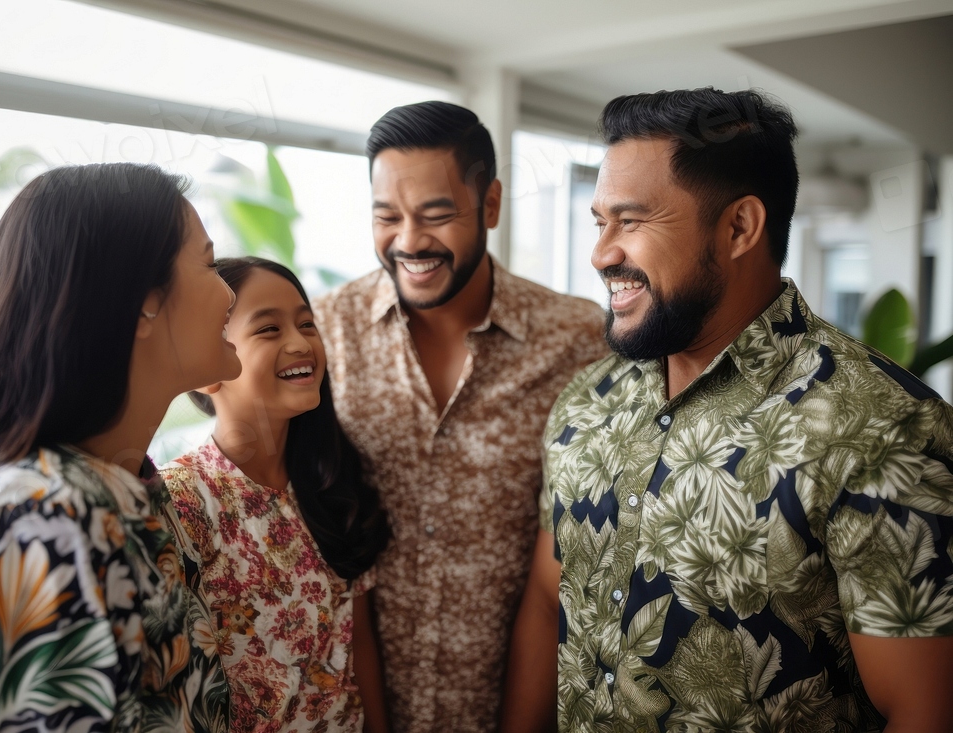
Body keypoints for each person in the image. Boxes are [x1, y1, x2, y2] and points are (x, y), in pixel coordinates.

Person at [504, 87, 953, 733]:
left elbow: (925, 709)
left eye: (631, 221)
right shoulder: (588, 400)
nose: (602, 253)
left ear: (740, 226)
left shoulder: (885, 425)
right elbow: (551, 599)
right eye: (599, 221)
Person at [0, 163, 240, 733]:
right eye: (211, 265)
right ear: (143, 302)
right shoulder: (38, 518)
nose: (229, 294)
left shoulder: (126, 493)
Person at [312, 101, 609, 732]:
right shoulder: (323, 333)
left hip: (515, 709)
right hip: (354, 712)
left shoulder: (578, 338)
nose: (410, 241)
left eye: (437, 215)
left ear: (491, 205)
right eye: (387, 216)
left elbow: (583, 552)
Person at [160, 257, 391, 733]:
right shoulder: (180, 504)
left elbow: (359, 646)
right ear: (207, 365)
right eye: (268, 329)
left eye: (307, 323)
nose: (300, 342)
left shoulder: (337, 483)